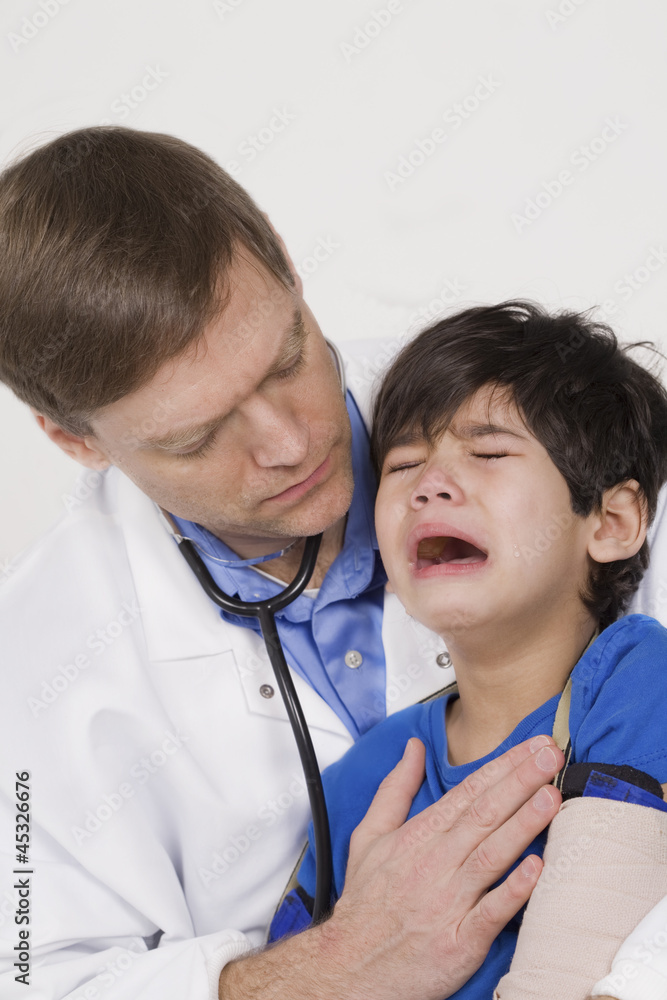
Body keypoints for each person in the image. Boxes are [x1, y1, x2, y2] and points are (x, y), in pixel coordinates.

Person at [0, 127, 656, 1000]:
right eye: (198, 437)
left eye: (286, 359)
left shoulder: (531, 409)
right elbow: (32, 979)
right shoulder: (33, 669)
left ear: (282, 254)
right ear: (75, 439)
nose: (289, 442)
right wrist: (336, 968)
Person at [269, 301, 667, 997]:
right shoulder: (362, 777)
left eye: (487, 454)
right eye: (402, 465)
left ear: (610, 521)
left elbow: (562, 980)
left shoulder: (637, 675)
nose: (430, 485)